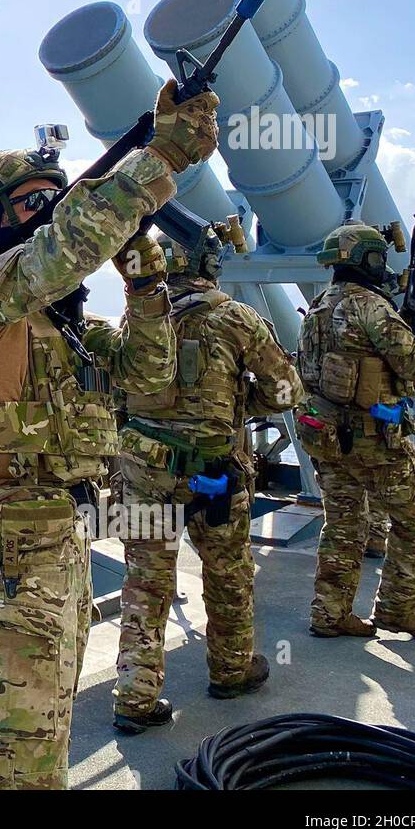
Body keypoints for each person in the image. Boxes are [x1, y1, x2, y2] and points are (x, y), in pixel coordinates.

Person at [0, 78, 218, 788]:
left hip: (58, 535)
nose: (48, 213)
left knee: (44, 729)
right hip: (14, 543)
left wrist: (147, 290)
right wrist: (162, 158)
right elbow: (67, 245)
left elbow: (147, 379)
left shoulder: (61, 328)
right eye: (33, 203)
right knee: (25, 749)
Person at [111, 223, 304, 733]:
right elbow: (286, 392)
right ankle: (231, 668)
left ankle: (134, 694)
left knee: (145, 582)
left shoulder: (134, 320)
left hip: (145, 470)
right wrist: (242, 404)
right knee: (227, 573)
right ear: (207, 264)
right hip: (213, 473)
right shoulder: (237, 319)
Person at [295, 222, 415, 639]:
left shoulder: (318, 307)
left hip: (327, 438)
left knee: (343, 524)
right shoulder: (371, 307)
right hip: (375, 440)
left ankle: (329, 614)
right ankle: (398, 610)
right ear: (371, 259)